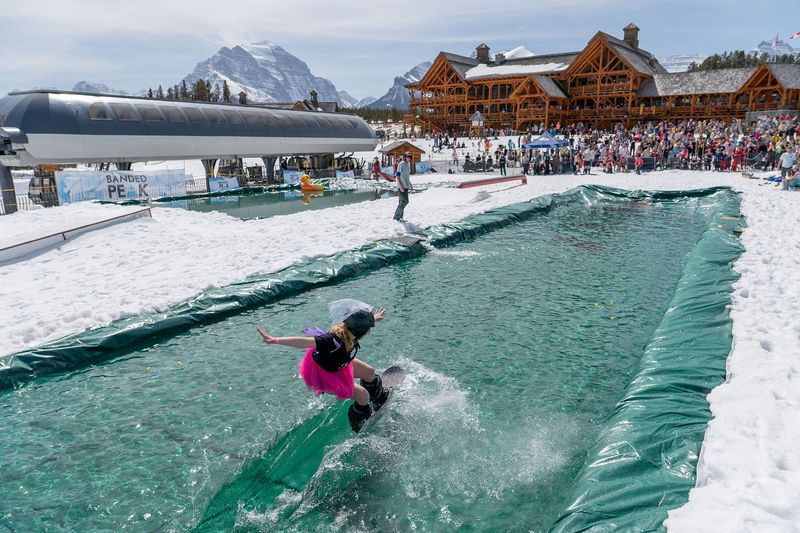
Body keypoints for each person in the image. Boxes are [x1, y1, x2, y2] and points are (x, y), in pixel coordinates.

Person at [256, 299, 388, 432]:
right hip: (327, 376)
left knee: (369, 372)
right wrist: (275, 340)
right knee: (363, 395)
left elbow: (359, 323)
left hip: (339, 363)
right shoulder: (331, 340)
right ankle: (358, 421)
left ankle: (378, 398)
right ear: (360, 332)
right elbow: (303, 342)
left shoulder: (351, 330)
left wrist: (373, 319)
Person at [394, 154, 412, 222]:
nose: (409, 158)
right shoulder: (401, 164)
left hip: (406, 186)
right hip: (401, 186)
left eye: (410, 157)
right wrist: (400, 186)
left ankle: (400, 218)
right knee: (405, 201)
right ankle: (396, 216)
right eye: (408, 157)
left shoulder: (408, 165)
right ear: (405, 157)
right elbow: (397, 175)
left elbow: (407, 176)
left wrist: (410, 185)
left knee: (401, 202)